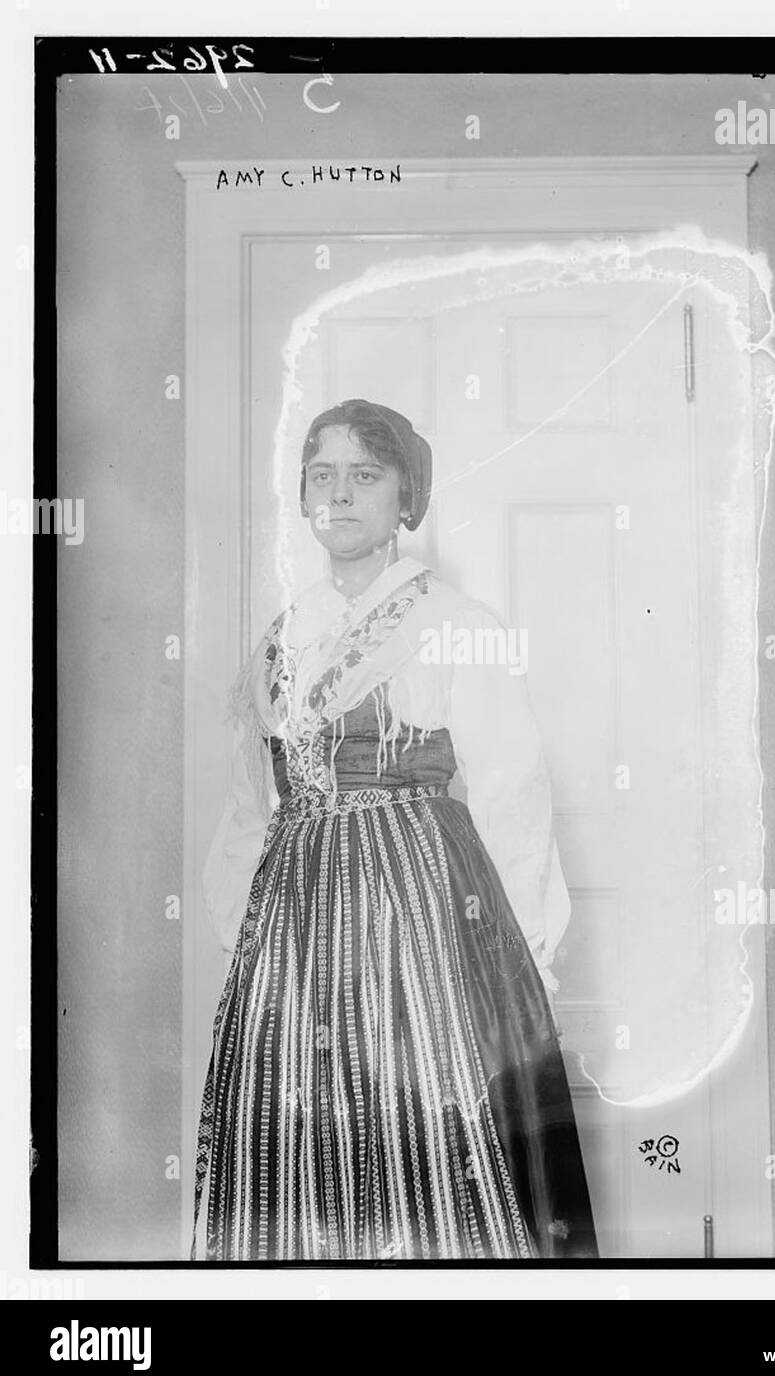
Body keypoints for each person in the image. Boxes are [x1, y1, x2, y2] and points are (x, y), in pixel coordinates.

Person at [192, 398, 598, 1260]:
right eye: (321, 476)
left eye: (364, 476)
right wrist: (242, 934)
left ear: (405, 496)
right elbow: (251, 802)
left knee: (421, 1127)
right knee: (295, 1133)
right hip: (294, 934)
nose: (340, 496)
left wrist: (525, 952)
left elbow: (511, 786)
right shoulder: (281, 641)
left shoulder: (453, 624)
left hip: (416, 916)